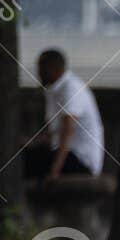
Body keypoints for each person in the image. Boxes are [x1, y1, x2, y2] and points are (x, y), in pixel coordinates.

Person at [24, 48, 105, 180]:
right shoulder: (53, 90)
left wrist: (55, 170)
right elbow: (55, 132)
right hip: (67, 155)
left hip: (82, 161)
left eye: (41, 69)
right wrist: (33, 143)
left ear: (54, 69)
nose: (38, 74)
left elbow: (68, 130)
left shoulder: (71, 88)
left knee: (26, 161)